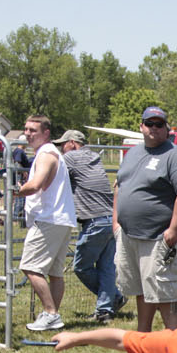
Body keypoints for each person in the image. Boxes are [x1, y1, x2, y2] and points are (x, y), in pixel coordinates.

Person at [114, 106, 177, 332]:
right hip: (129, 235)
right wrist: (116, 224)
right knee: (142, 289)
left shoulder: (176, 156)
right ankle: (144, 336)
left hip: (159, 238)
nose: (154, 128)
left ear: (166, 128)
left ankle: (173, 337)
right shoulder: (133, 153)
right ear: (141, 127)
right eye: (149, 123)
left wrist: (173, 231)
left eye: (159, 124)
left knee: (166, 292)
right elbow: (119, 186)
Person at [55, 129, 124, 323]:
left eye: (63, 145)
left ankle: (114, 297)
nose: (61, 149)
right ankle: (105, 310)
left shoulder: (72, 157)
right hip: (111, 219)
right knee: (106, 267)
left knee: (81, 267)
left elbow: (53, 171)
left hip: (94, 220)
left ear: (72, 143)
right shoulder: (93, 157)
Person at [15, 114, 76, 331]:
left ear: (46, 133)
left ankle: (50, 313)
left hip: (49, 219)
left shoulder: (46, 155)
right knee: (55, 273)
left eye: (33, 130)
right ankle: (52, 316)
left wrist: (16, 191)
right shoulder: (51, 153)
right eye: (26, 129)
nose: (28, 134)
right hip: (61, 219)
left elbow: (36, 184)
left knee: (30, 267)